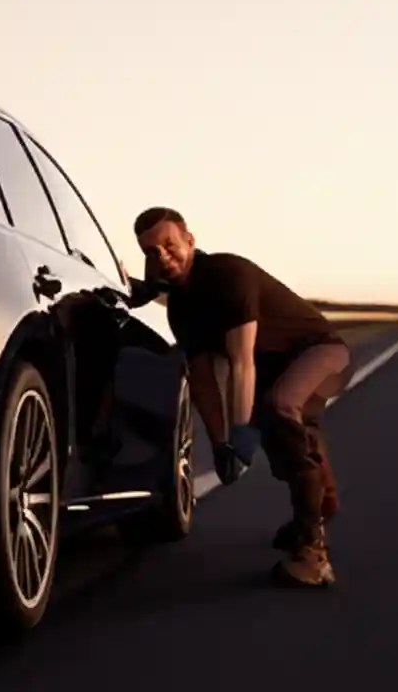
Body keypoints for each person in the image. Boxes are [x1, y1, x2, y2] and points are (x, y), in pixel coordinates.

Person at [133, 206, 352, 587]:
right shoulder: (181, 308)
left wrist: (240, 434)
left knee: (279, 407)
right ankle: (319, 505)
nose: (163, 258)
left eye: (170, 245)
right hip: (273, 374)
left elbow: (241, 362)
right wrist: (221, 444)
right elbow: (201, 381)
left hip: (324, 354)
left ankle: (314, 555)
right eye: (152, 253)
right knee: (285, 435)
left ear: (190, 240)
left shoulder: (228, 275)